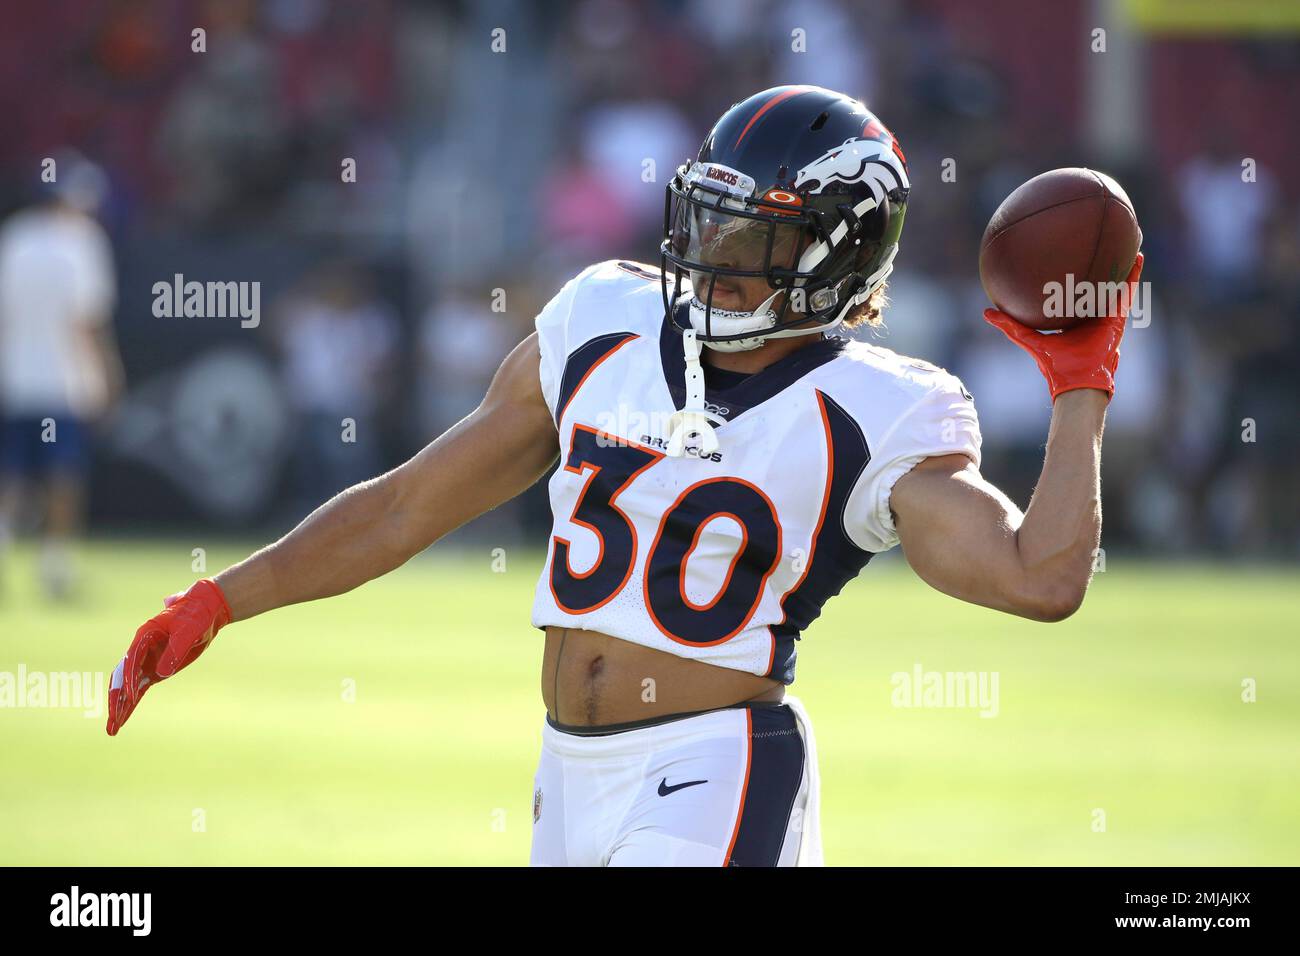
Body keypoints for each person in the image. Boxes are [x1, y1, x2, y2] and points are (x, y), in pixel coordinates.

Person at [105, 86, 1142, 866]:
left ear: (835, 254)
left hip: (717, 769)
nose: (711, 254)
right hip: (565, 773)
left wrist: (1078, 383)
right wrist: (219, 598)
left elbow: (1036, 577)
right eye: (706, 220)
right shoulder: (603, 315)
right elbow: (404, 504)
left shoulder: (879, 407)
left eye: (751, 236)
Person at [0, 154, 123, 598]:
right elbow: (86, 320)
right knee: (62, 477)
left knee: (13, 474)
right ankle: (54, 568)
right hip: (63, 384)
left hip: (16, 381)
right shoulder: (81, 241)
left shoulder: (14, 237)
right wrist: (109, 377)